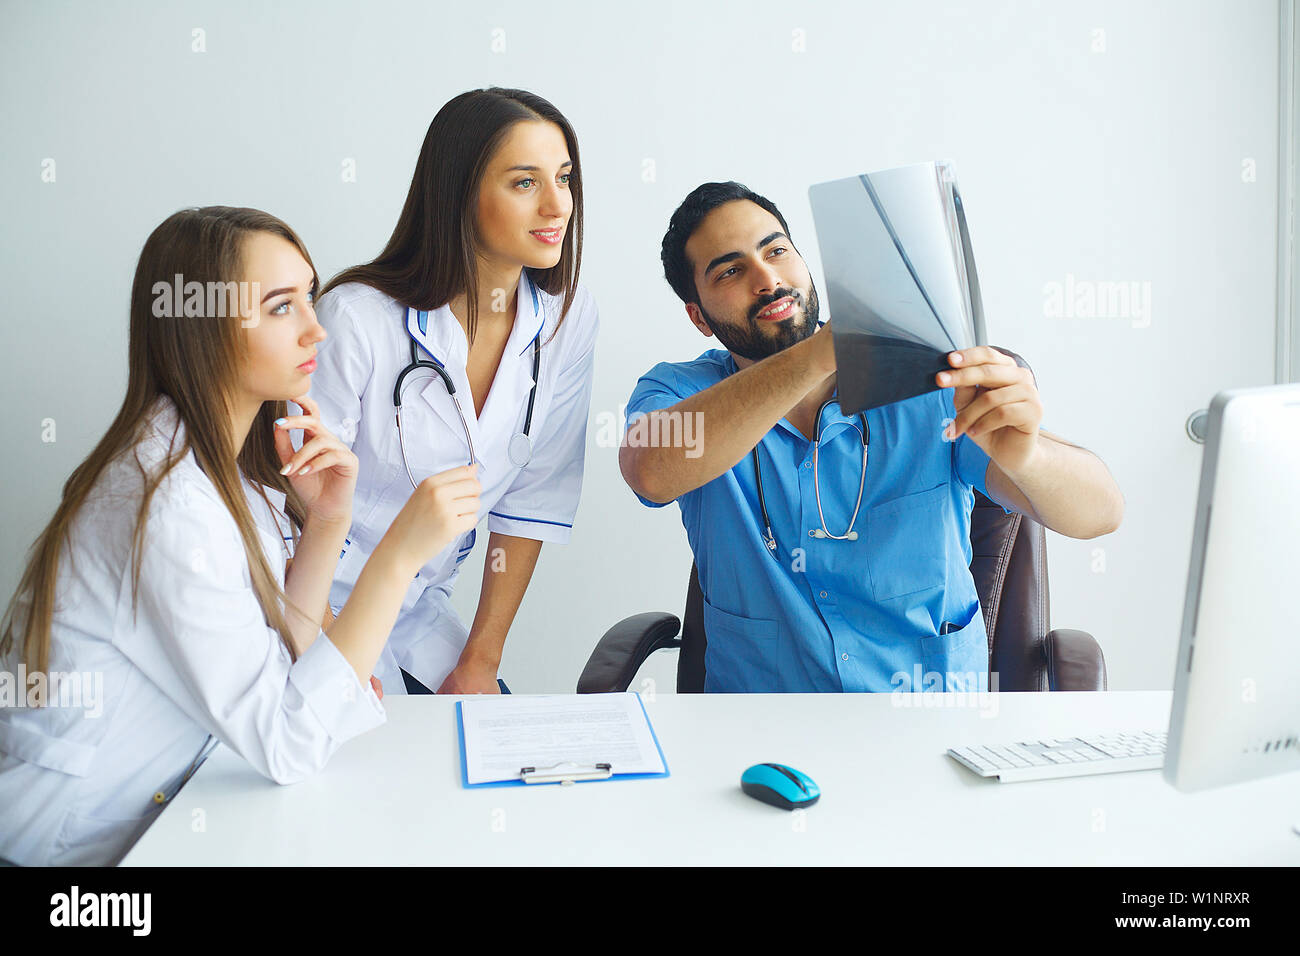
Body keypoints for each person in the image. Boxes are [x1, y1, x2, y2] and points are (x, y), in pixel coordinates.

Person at [0, 207, 480, 866]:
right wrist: (396, 559)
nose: (317, 330)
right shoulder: (166, 502)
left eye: (309, 298)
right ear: (204, 328)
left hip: (168, 811)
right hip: (73, 853)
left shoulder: (227, 473)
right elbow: (288, 738)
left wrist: (327, 523)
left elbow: (293, 655)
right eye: (282, 308)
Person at [620, 182, 1124, 693]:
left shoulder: (925, 377)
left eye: (776, 251)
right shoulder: (680, 392)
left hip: (929, 725)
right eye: (730, 270)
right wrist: (822, 350)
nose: (767, 278)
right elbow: (651, 471)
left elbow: (1102, 512)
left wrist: (1029, 455)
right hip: (763, 734)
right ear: (699, 316)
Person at [311, 88, 598, 695]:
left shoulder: (565, 317)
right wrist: (328, 644)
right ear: (459, 194)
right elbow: (277, 502)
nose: (556, 205)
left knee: (494, 754)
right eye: (524, 183)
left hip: (418, 615)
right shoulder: (356, 319)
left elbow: (533, 496)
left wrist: (479, 662)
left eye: (564, 178)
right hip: (311, 607)